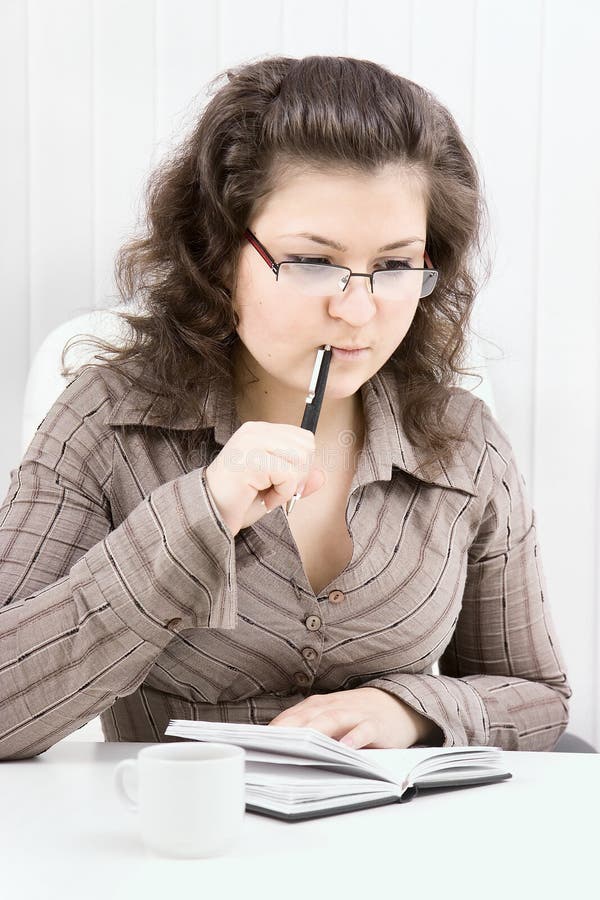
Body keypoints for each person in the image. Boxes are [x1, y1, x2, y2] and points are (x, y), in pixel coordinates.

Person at [0, 55, 570, 760]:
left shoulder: (463, 441)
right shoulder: (106, 420)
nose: (357, 311)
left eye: (395, 267)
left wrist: (410, 709)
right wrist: (199, 515)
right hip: (175, 828)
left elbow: (537, 695)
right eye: (313, 262)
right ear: (218, 251)